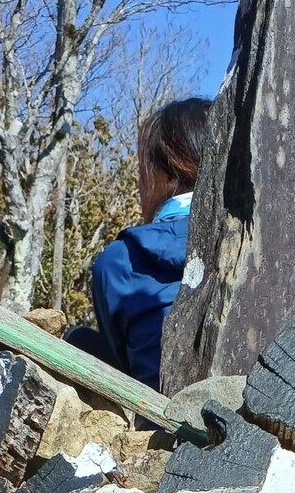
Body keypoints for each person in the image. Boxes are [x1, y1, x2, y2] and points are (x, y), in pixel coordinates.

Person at [75, 97, 211, 390]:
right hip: (270, 419)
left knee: (78, 340)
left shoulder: (121, 261)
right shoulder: (266, 247)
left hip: (163, 429)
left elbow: (123, 364)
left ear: (160, 174)